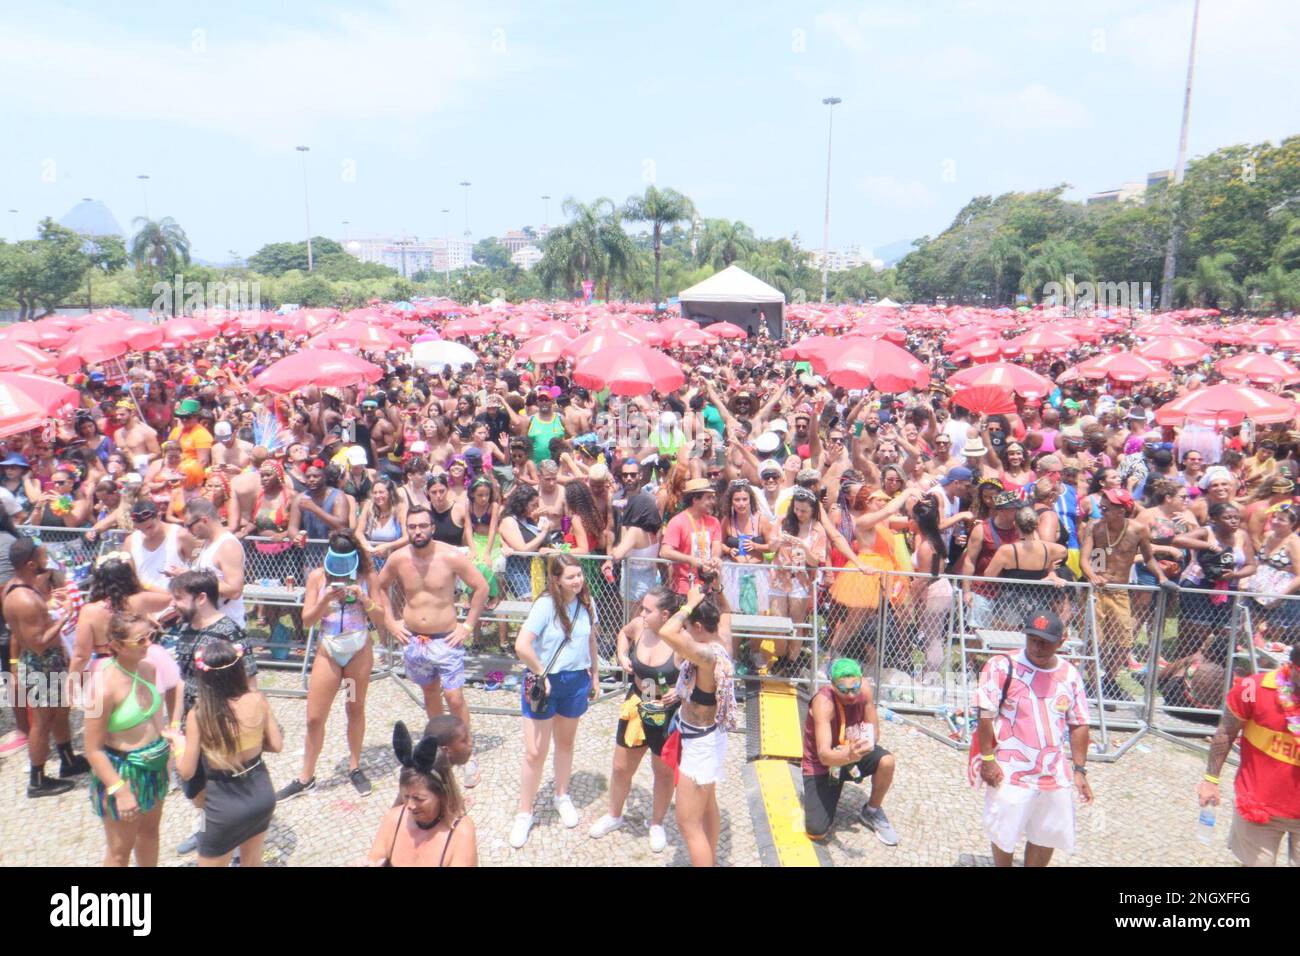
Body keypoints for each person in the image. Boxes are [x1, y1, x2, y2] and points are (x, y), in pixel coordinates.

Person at [375, 506, 488, 788]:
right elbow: (379, 587)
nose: (418, 531)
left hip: (446, 638)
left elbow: (481, 587)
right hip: (415, 640)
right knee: (429, 692)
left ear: (432, 528)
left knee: (454, 697)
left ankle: (466, 752)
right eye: (412, 527)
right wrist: (390, 622)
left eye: (423, 526)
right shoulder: (399, 558)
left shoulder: (451, 556)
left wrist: (468, 626)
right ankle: (439, 746)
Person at [974, 610, 1093, 867]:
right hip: (1010, 770)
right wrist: (988, 759)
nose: (1037, 647)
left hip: (1052, 772)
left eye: (1045, 642)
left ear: (1061, 641)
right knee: (1003, 831)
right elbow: (985, 714)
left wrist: (1080, 769)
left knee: (1046, 834)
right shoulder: (1001, 666)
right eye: (1032, 639)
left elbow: (1079, 722)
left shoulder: (1070, 675)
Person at [280, 532, 387, 800]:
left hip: (357, 653)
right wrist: (324, 600)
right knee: (315, 717)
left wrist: (364, 599)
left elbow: (381, 616)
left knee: (354, 708)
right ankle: (306, 777)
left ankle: (354, 766)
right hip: (329, 652)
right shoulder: (317, 577)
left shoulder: (367, 577)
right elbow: (307, 620)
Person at [509, 553, 602, 850]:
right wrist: (540, 672)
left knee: (566, 743)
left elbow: (591, 641)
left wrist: (595, 675)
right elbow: (522, 645)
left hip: (576, 680)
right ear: (557, 579)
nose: (577, 581)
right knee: (535, 752)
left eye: (579, 575)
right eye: (570, 576)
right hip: (545, 682)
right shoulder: (545, 605)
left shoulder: (587, 603)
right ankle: (525, 812)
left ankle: (562, 795)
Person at [165, 639, 282, 867]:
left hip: (223, 805)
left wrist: (178, 743)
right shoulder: (258, 699)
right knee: (252, 862)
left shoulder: (200, 714)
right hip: (261, 794)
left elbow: (186, 771)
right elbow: (276, 745)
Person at [167, 569, 257, 856]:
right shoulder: (185, 629)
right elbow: (182, 679)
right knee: (194, 787)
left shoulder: (230, 632)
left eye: (178, 598)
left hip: (222, 727)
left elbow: (249, 684)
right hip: (192, 725)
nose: (172, 604)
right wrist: (175, 721)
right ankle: (207, 827)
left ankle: (239, 846)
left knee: (230, 789)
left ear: (201, 598)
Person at [589, 586, 682, 852]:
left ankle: (657, 824)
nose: (641, 613)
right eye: (642, 607)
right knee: (620, 767)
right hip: (637, 703)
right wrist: (621, 654)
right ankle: (614, 815)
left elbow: (702, 669)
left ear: (665, 615)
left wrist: (682, 690)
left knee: (663, 772)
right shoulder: (640, 626)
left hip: (665, 712)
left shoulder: (680, 639)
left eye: (647, 610)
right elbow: (623, 633)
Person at [1196, 644, 1300, 866]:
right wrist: (1211, 780)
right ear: (1293, 668)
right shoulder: (1254, 689)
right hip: (1260, 808)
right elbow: (1226, 732)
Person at [82, 612, 172, 866]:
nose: (148, 644)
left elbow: (154, 715)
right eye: (140, 640)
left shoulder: (147, 668)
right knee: (120, 850)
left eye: (150, 636)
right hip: (123, 771)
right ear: (117, 645)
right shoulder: (102, 688)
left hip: (153, 765)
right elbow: (92, 749)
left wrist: (167, 740)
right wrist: (119, 790)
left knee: (150, 834)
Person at [657, 585, 736, 867]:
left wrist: (688, 605)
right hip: (709, 737)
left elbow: (667, 632)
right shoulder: (723, 639)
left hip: (701, 745)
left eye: (688, 627)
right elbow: (727, 611)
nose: (685, 632)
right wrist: (717, 584)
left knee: (688, 824)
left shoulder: (706, 656)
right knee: (708, 807)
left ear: (699, 627)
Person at [3, 537, 89, 796]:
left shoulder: (21, 587)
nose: (46, 558)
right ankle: (37, 780)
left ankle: (68, 760)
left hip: (48, 663)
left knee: (60, 711)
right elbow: (39, 643)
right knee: (42, 721)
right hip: (41, 665)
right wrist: (66, 614)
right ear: (30, 564)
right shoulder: (24, 599)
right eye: (42, 555)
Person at [1079, 488, 1174, 701]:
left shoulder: (1138, 529)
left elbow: (1149, 559)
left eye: (1107, 507)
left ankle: (1108, 681)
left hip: (1120, 592)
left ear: (1121, 510)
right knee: (1095, 640)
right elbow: (1086, 559)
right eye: (1101, 506)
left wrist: (1162, 578)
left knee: (1124, 642)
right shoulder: (1095, 527)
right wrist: (1093, 575)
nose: (1102, 509)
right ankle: (1095, 685)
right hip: (1097, 591)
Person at [802, 658, 898, 844]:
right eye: (844, 690)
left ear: (861, 680)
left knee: (887, 761)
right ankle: (821, 788)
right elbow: (824, 755)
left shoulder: (865, 690)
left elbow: (875, 734)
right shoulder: (823, 703)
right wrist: (847, 755)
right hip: (824, 763)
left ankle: (871, 811)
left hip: (852, 752)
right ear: (832, 686)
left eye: (855, 688)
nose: (851, 695)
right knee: (816, 831)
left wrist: (861, 746)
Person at [367, 722, 477, 867]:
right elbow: (374, 859)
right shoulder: (393, 820)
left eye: (419, 798)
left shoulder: (460, 832)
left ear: (441, 795)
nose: (410, 805)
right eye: (406, 796)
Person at [185, 497, 246, 629]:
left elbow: (235, 591)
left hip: (226, 629)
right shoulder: (207, 544)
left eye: (190, 526)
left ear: (204, 520)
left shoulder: (228, 546)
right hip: (206, 625)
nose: (188, 531)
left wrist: (191, 578)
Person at [658, 477, 722, 596]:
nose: (713, 501)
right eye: (708, 498)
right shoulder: (677, 522)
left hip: (709, 587)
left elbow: (716, 546)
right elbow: (665, 552)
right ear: (695, 499)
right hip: (684, 588)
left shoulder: (714, 522)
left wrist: (715, 558)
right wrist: (690, 560)